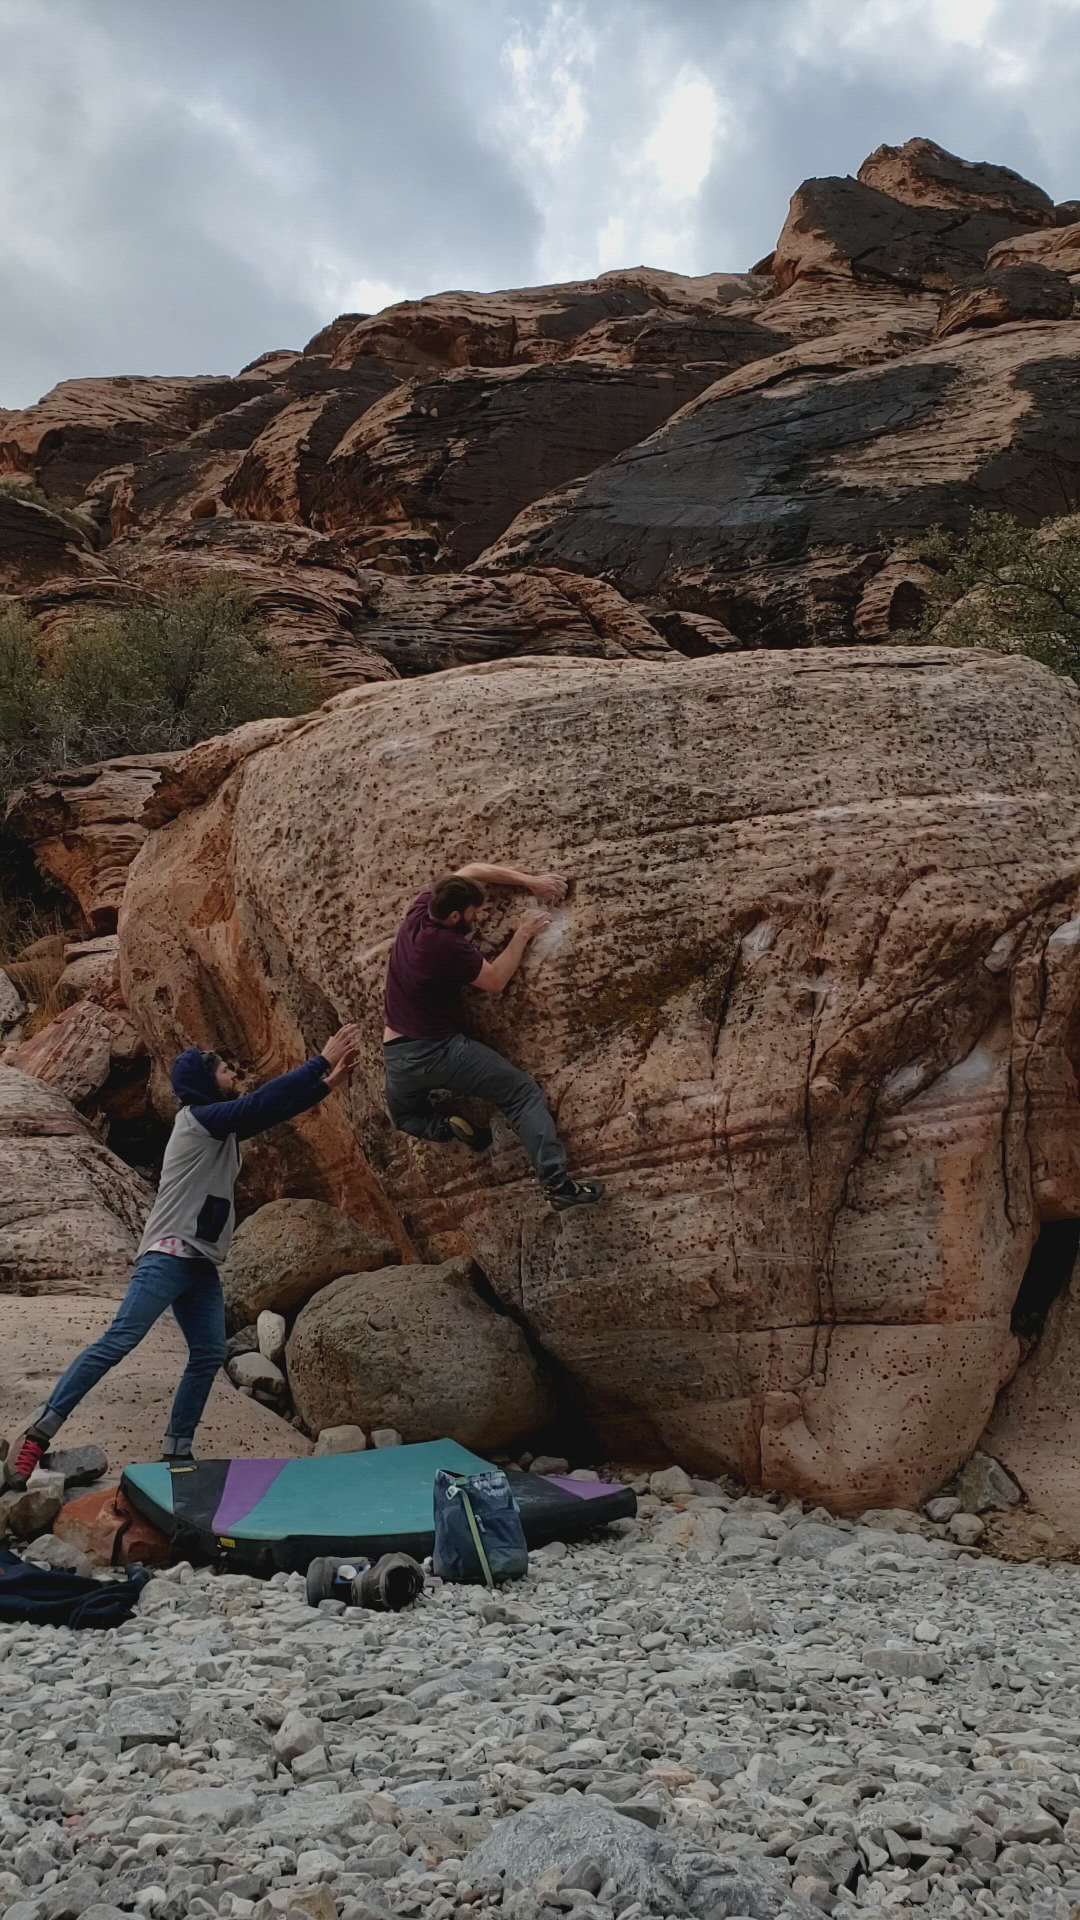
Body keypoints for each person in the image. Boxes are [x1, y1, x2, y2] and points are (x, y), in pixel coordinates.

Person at [8, 1027, 361, 1489]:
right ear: (204, 1081)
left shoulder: (223, 1129)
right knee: (120, 1340)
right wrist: (319, 1061)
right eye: (224, 1069)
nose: (233, 1074)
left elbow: (266, 1113)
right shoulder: (197, 1119)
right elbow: (257, 1107)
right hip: (169, 1253)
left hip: (198, 1264)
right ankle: (41, 1429)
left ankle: (177, 1450)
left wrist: (327, 1086)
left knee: (208, 1352)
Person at [383, 862, 604, 1212]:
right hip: (439, 1052)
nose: (480, 915)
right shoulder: (445, 946)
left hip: (395, 1056)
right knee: (521, 1095)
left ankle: (446, 1129)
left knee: (406, 1117)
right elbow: (495, 981)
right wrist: (523, 933)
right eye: (474, 912)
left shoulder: (422, 907)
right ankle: (558, 1184)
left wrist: (530, 881)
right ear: (455, 917)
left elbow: (471, 870)